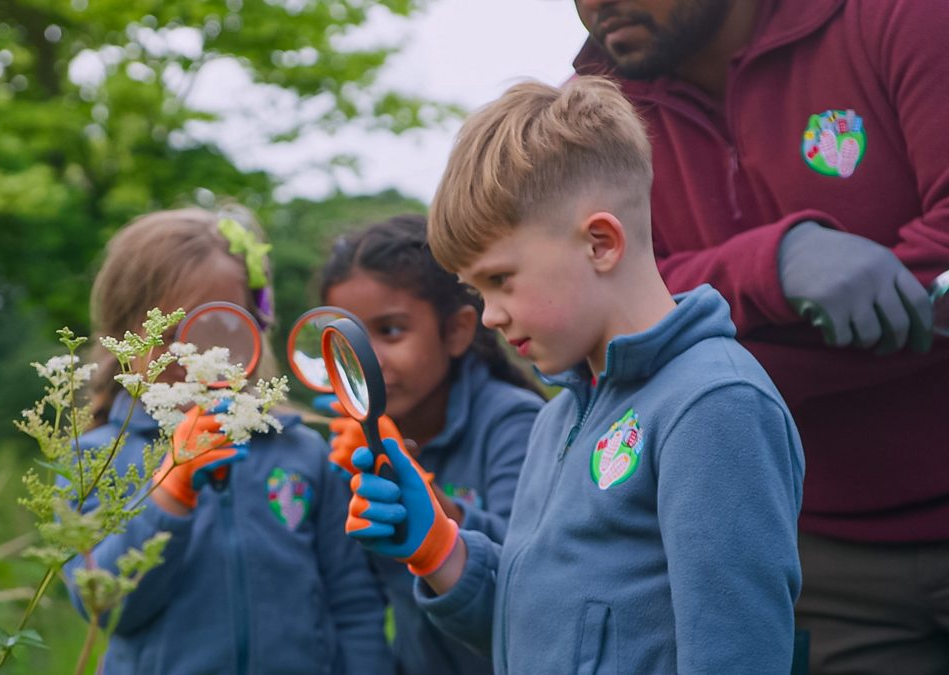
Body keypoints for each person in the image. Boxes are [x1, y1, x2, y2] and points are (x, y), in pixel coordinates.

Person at [342, 77, 805, 672]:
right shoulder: (558, 414)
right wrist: (440, 548)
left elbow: (736, 656)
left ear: (601, 243)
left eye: (501, 279)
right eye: (476, 290)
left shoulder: (714, 405)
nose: (490, 315)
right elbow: (541, 629)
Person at [568, 0, 949, 670]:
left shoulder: (904, 17)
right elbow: (591, 312)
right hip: (815, 560)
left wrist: (712, 357)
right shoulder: (588, 114)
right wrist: (774, 263)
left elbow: (644, 320)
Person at [63, 208, 391, 674]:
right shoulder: (95, 458)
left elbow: (353, 603)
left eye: (223, 329)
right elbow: (105, 605)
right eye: (171, 334)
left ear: (257, 331)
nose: (196, 354)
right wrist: (170, 493)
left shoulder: (301, 452)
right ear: (122, 336)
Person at [318, 214, 544, 674]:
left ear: (458, 330)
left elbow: (533, 565)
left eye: (391, 331)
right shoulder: (353, 441)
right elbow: (354, 598)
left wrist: (428, 504)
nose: (370, 360)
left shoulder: (514, 420)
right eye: (350, 340)